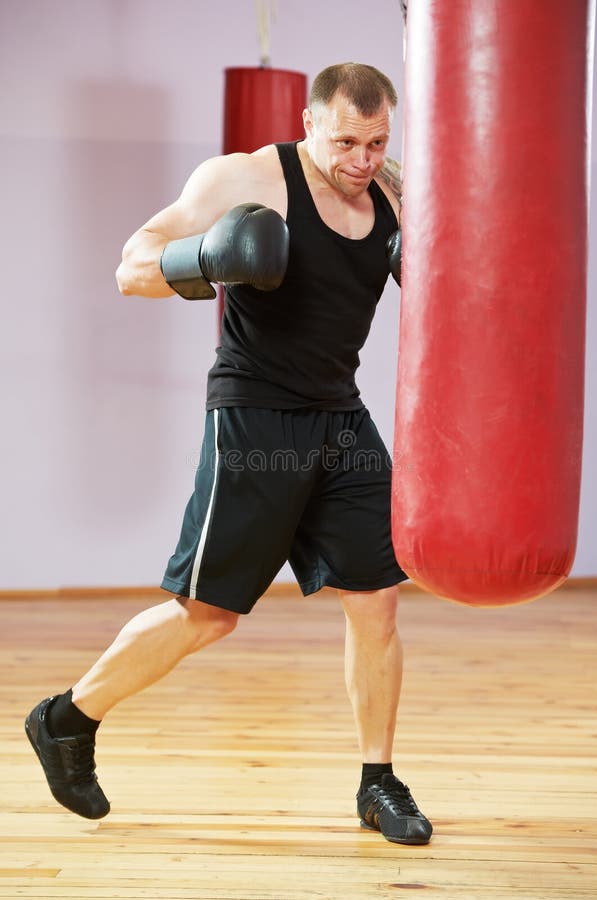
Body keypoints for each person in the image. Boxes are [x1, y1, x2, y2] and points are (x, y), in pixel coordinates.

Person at [25, 62, 432, 846]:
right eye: (345, 140)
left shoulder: (394, 190)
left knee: (376, 597)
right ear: (309, 121)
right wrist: (208, 258)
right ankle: (67, 719)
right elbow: (130, 267)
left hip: (339, 418)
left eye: (375, 142)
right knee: (207, 613)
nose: (360, 159)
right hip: (253, 416)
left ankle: (376, 781)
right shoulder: (247, 178)